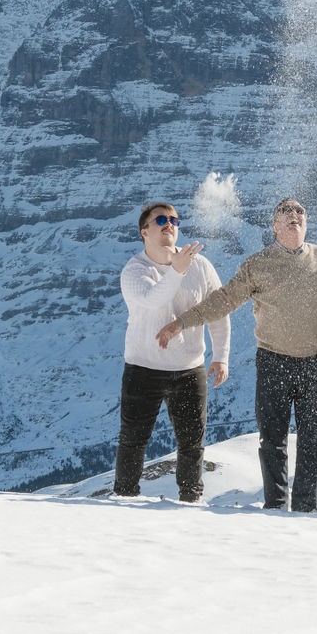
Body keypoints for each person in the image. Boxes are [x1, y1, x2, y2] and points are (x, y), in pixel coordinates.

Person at [158, 198, 317, 512]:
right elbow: (224, 300)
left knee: (314, 440)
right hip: (273, 361)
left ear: (306, 223)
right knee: (272, 440)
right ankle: (275, 506)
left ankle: (306, 508)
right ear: (274, 226)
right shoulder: (257, 264)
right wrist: (183, 321)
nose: (294, 216)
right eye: (286, 212)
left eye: (300, 212)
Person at [114, 202, 231, 503]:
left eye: (174, 220)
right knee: (133, 441)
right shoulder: (134, 270)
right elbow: (154, 301)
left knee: (192, 444)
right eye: (161, 220)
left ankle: (191, 502)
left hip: (189, 368)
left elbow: (218, 311)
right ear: (144, 232)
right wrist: (177, 271)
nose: (170, 224)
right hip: (143, 368)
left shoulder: (201, 266)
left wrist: (221, 355)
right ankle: (124, 500)